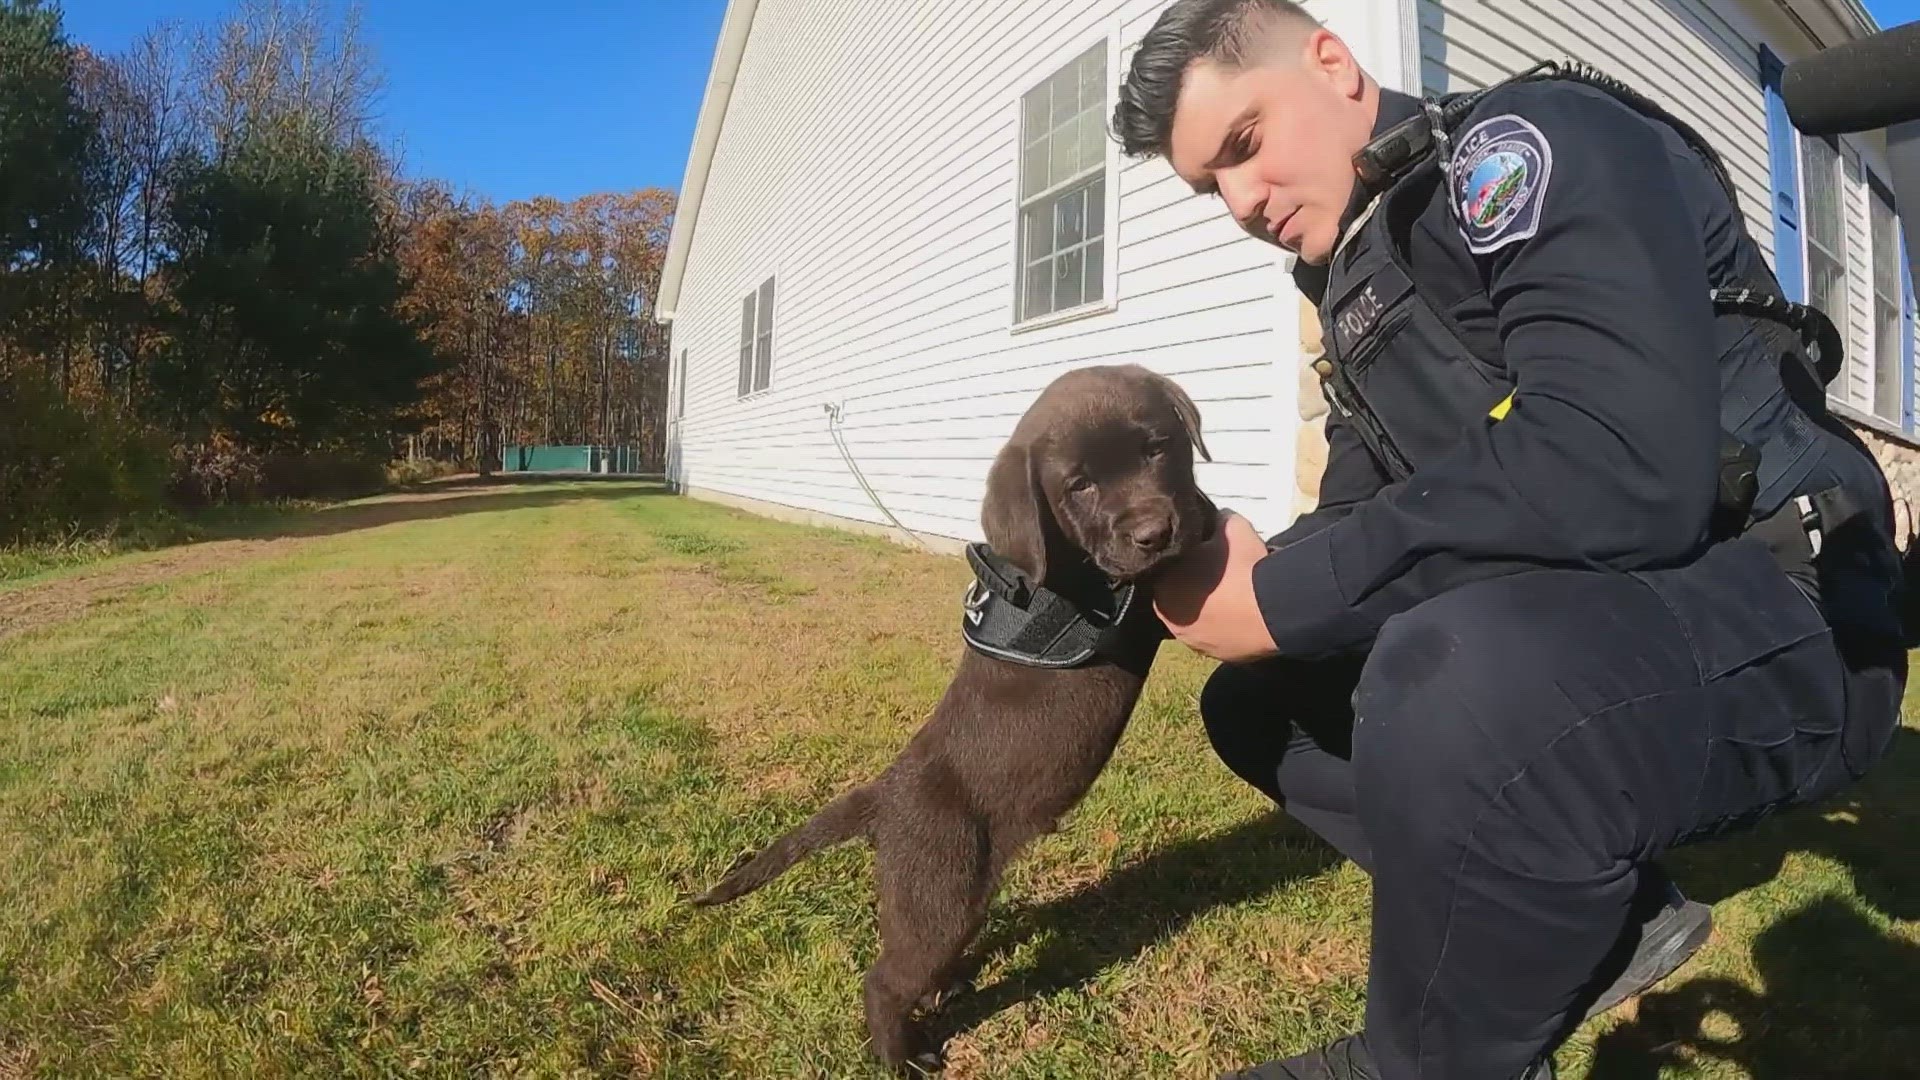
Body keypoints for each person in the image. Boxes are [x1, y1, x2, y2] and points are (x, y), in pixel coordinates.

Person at [1112, 1, 1909, 1078]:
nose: (1243, 203)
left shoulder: (1522, 147)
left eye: (1245, 145)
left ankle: (1424, 1062)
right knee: (1259, 700)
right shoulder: (1363, 284)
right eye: (1214, 187)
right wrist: (1205, 589)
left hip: (1792, 605)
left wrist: (1289, 598)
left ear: (1334, 66)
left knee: (1452, 681)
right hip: (1629, 614)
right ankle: (1612, 921)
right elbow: (1359, 514)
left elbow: (1616, 460)